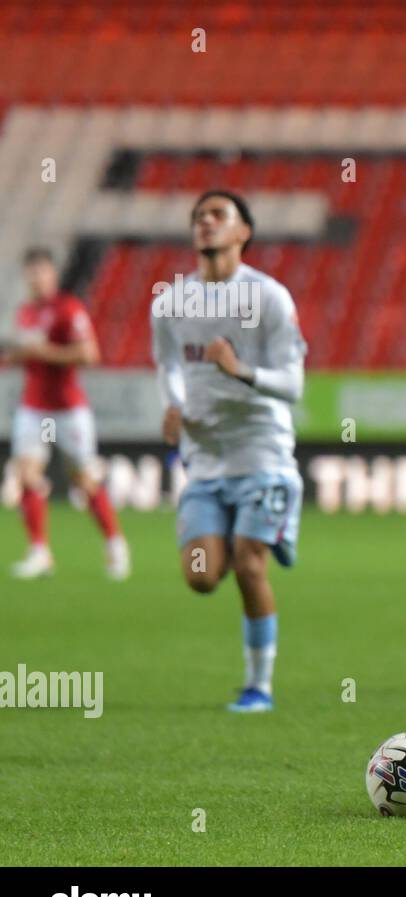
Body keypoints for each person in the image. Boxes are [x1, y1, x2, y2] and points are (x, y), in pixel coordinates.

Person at [150, 190, 306, 713]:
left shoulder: (269, 298)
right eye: (198, 216)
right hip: (206, 461)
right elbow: (167, 365)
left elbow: (294, 383)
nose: (206, 223)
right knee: (200, 575)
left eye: (218, 215)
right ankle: (259, 537)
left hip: (263, 454)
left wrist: (241, 370)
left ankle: (258, 687)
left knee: (248, 564)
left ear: (243, 232)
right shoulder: (170, 303)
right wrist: (174, 409)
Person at [3, 247, 129, 580]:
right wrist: (18, 356)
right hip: (36, 409)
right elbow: (30, 355)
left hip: (68, 409)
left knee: (83, 479)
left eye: (42, 272)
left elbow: (90, 354)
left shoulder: (69, 309)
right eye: (32, 272)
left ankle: (114, 542)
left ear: (53, 275)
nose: (38, 278)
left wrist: (41, 351)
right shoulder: (26, 313)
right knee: (27, 472)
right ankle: (39, 551)